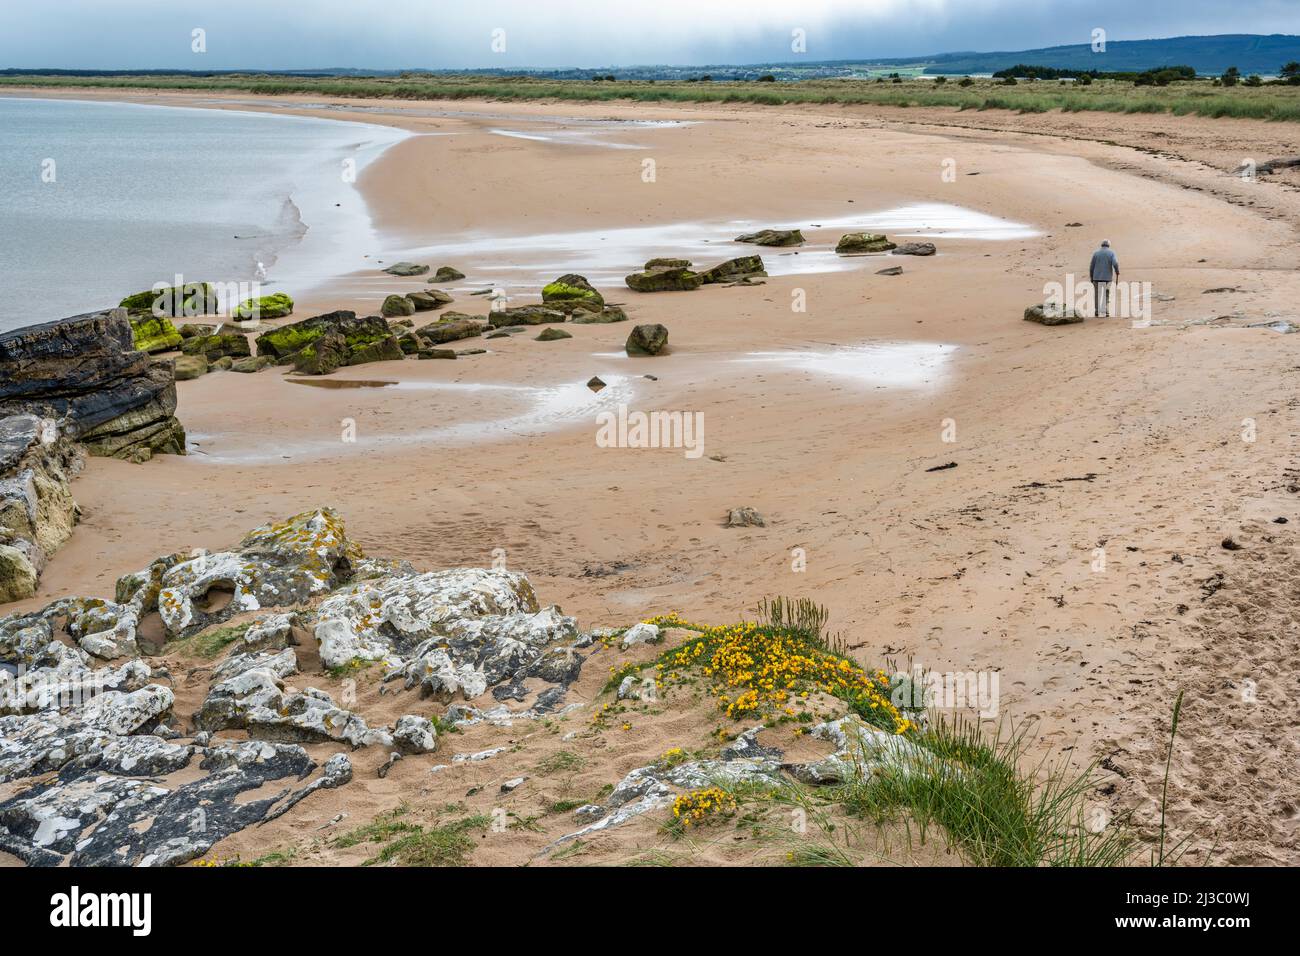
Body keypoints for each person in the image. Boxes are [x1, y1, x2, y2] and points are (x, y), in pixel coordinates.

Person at [1089, 239, 1120, 317]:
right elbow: (1115, 263)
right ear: (1109, 245)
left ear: (1101, 245)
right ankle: (1105, 310)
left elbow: (1091, 266)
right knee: (1106, 294)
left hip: (1096, 277)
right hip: (1107, 278)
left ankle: (1097, 311)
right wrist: (1117, 271)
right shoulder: (1111, 253)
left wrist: (1091, 277)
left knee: (1097, 294)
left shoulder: (1096, 253)